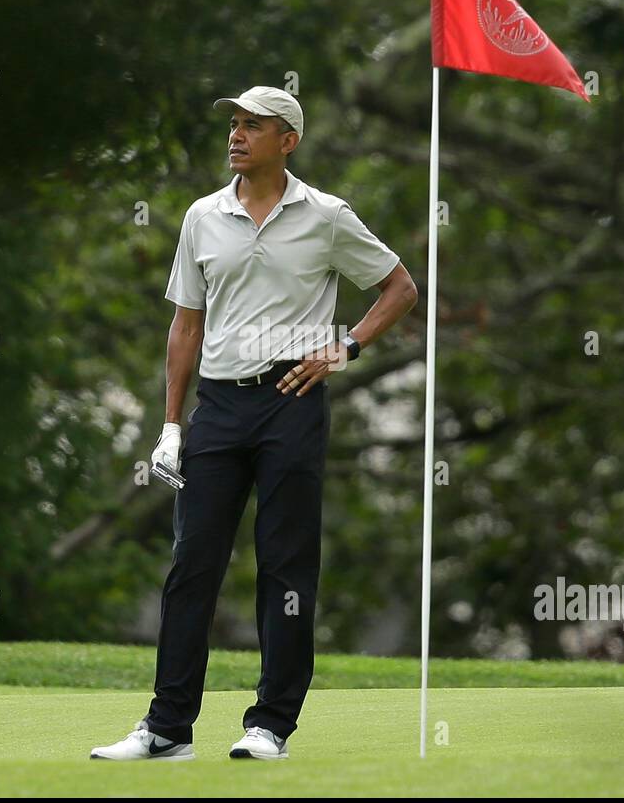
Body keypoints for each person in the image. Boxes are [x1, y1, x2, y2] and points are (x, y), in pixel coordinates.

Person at [91, 86, 418, 761]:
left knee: (287, 566)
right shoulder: (202, 217)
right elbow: (185, 324)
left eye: (253, 126)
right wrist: (171, 425)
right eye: (234, 125)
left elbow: (400, 286)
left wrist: (345, 347)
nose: (236, 136)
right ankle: (167, 727)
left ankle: (270, 723)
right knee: (193, 565)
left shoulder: (326, 216)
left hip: (292, 402)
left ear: (287, 140)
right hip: (219, 405)